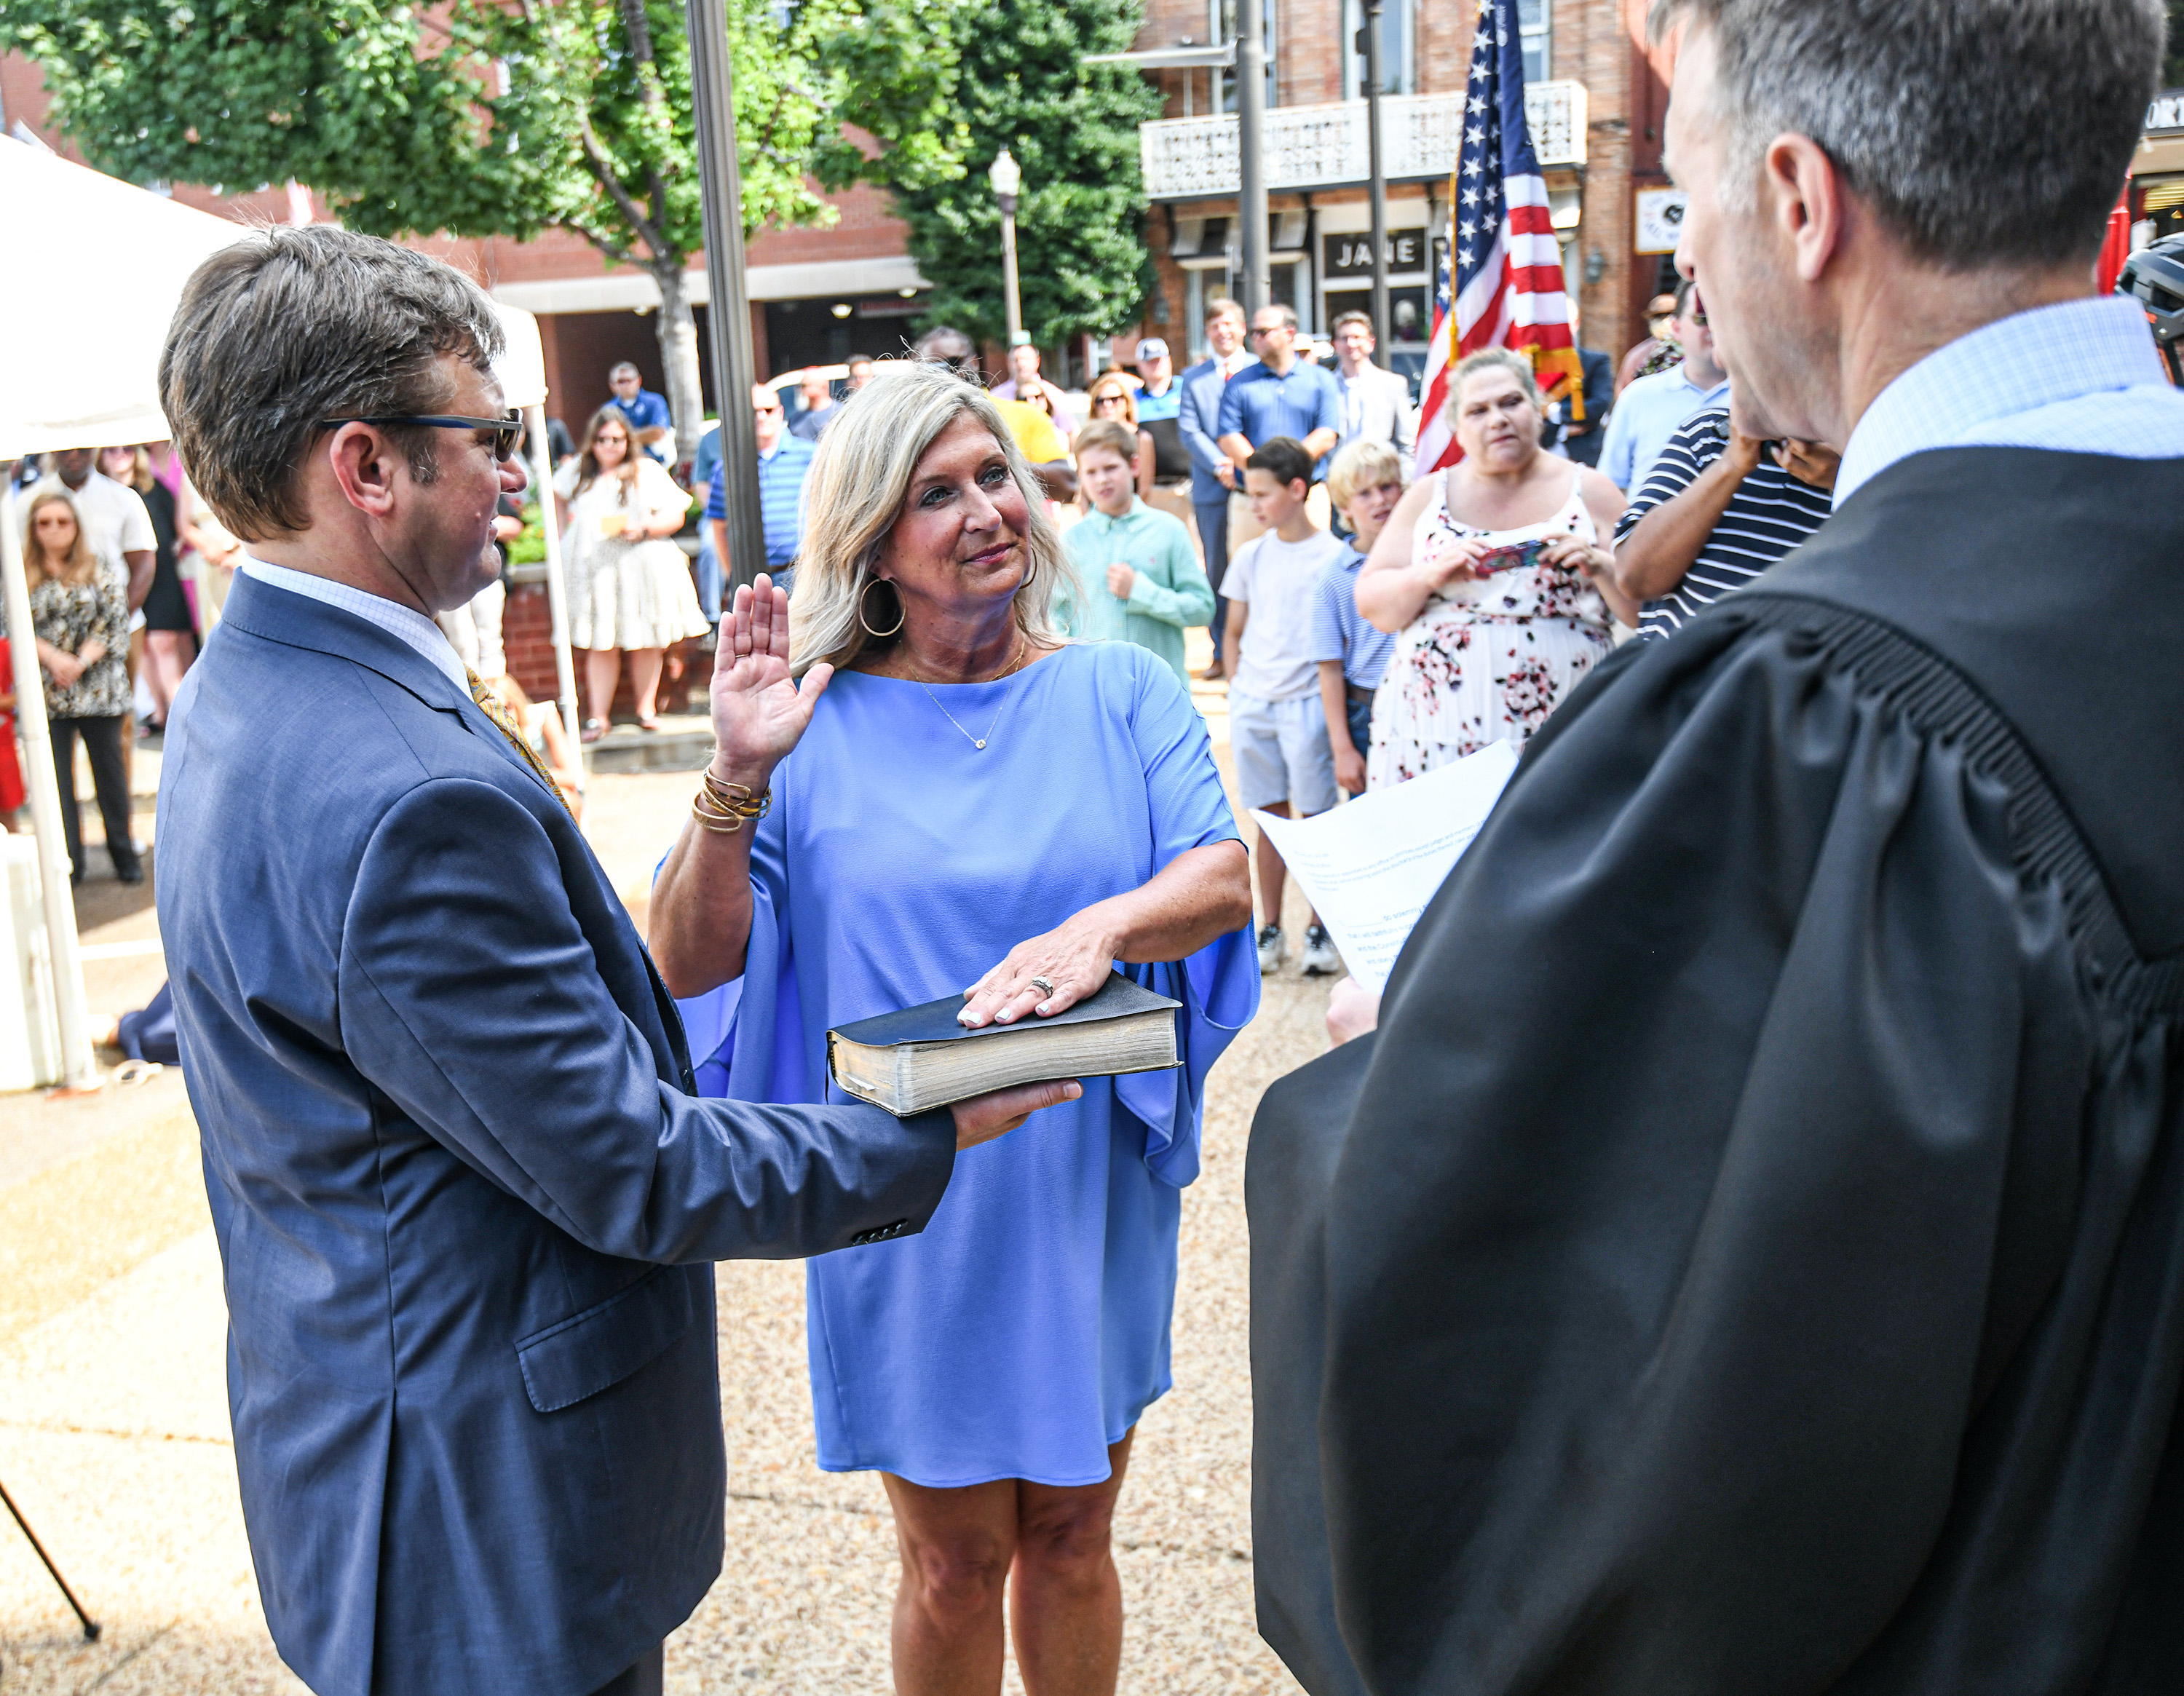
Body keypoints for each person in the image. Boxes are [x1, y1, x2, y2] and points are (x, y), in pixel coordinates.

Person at [1248, 1, 2184, 1691]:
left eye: (1682, 201)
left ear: (1797, 204)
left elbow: (1540, 1533)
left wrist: (1418, 1063)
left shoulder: (1814, 719)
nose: (1689, 254)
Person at [155, 223, 1069, 1696]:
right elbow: (631, 1165)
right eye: (489, 434)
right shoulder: (405, 790)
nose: (521, 471)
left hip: (365, 1447)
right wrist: (920, 1121)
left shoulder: (238, 693)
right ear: (366, 466)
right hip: (480, 1521)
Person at [646, 361, 1257, 1696]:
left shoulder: (1119, 692)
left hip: (1077, 1174)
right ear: (874, 540)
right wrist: (736, 777)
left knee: (1076, 1533)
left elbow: (1222, 876)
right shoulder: (810, 727)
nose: (986, 510)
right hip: (903, 1190)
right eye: (938, 493)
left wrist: (1106, 926)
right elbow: (686, 959)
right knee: (952, 1565)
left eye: (995, 477)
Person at [1358, 349, 1634, 787]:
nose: (1497, 419)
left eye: (1511, 402)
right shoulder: (1429, 495)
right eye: (1478, 410)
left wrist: (1599, 565)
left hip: (1563, 728)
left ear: (1538, 407)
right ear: (1457, 428)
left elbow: (1644, 608)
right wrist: (1428, 575)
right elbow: (1373, 604)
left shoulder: (1592, 490)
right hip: (1434, 731)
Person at [1221, 437, 1346, 977]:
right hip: (1255, 701)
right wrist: (1236, 688)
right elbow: (1233, 630)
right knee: (1268, 821)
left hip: (1307, 704)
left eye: (1262, 494)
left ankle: (1321, 929)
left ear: (1297, 490)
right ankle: (1271, 928)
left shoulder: (1336, 558)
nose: (1254, 506)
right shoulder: (1252, 555)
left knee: (1317, 822)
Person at [553, 405, 707, 740]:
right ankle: (598, 718)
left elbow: (676, 514)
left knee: (647, 639)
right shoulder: (578, 470)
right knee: (600, 641)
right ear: (592, 441)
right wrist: (566, 532)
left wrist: (645, 527)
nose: (610, 446)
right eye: (603, 439)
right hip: (596, 572)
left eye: (617, 439)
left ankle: (645, 709)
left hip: (639, 563)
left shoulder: (645, 469)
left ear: (628, 440)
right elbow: (557, 497)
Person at [1614, 406, 1837, 637]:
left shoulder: (1865, 463)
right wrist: (1732, 465)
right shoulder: (1707, 436)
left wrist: (1844, 478)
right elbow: (1635, 579)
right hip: (1680, 668)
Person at [17, 488, 140, 884]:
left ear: (77, 526)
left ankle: (124, 855)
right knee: (56, 782)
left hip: (99, 689)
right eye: (44, 523)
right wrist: (54, 659)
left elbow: (115, 620)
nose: (54, 530)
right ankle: (69, 863)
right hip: (47, 693)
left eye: (62, 521)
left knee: (110, 777)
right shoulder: (20, 574)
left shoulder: (99, 566)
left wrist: (79, 660)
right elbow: (11, 624)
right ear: (33, 529)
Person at [1055, 417, 1214, 686]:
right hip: (1098, 697)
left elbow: (1202, 609)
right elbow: (1054, 623)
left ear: (1134, 465)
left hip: (1164, 695)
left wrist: (1141, 591)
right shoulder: (1069, 543)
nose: (1102, 480)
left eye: (1111, 468)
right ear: (1079, 477)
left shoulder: (1168, 531)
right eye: (1091, 472)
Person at [1309, 439, 1403, 799]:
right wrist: (1343, 748)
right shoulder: (1334, 577)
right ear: (1345, 507)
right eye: (1364, 494)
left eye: (1386, 487)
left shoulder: (1424, 555)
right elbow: (1329, 666)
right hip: (1368, 709)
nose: (1379, 499)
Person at [1216, 304, 1344, 552]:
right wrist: (1266, 478)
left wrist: (1284, 472)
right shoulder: (1239, 383)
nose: (1256, 339)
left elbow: (1326, 435)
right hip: (1252, 501)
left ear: (1290, 333)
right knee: (1249, 583)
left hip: (1306, 497)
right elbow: (1229, 437)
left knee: (1313, 579)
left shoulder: (1320, 379)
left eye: (1264, 332)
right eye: (1253, 333)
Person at [1178, 298, 1256, 676]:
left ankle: (1257, 649)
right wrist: (1221, 464)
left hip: (1257, 488)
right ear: (1207, 332)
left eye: (1229, 324)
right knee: (1218, 573)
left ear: (1242, 328)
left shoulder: (1260, 371)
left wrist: (1246, 466)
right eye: (1214, 326)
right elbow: (1189, 431)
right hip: (1212, 488)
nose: (1222, 332)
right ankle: (1221, 651)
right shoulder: (1194, 379)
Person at [913, 327, 1077, 501]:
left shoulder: (1025, 414)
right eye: (933, 368)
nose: (945, 373)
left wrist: (998, 466)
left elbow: (1066, 485)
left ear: (974, 363)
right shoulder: (913, 433)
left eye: (953, 362)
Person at [1598, 278, 1730, 491]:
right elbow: (1610, 484)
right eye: (1703, 318)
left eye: (1724, 316)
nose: (1714, 327)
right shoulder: (1639, 396)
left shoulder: (1763, 400)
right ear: (1676, 329)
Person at [705, 384, 815, 597]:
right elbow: (719, 527)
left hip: (803, 574)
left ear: (781, 412)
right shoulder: (727, 467)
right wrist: (734, 576)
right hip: (751, 578)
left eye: (768, 410)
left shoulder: (811, 456)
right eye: (754, 411)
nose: (762, 417)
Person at [115, 443, 197, 731]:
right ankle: (161, 714)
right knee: (146, 650)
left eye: (126, 449)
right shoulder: (112, 496)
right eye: (111, 450)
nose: (120, 455)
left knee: (164, 645)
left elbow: (171, 536)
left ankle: (180, 717)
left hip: (160, 579)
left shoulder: (152, 489)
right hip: (130, 583)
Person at [1328, 310, 1417, 481]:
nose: (1351, 343)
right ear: (1335, 344)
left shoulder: (1392, 384)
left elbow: (1407, 444)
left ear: (1371, 343)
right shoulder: (1325, 386)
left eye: (1357, 337)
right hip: (1338, 483)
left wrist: (1401, 483)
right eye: (1344, 338)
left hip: (1379, 482)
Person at [1545, 308, 1616, 469]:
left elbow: (1599, 405)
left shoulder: (1596, 361)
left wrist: (1554, 412)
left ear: (1575, 324)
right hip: (1545, 453)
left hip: (1586, 457)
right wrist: (1562, 431)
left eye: (1563, 323)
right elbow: (1531, 411)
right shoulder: (1535, 363)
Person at [992, 340, 1078, 439]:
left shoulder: (1054, 395)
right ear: (1008, 363)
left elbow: (1071, 432)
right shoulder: (996, 397)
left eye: (1026, 359)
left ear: (1037, 361)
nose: (1021, 364)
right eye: (1016, 360)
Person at [689, 412, 726, 625]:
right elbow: (701, 483)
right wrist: (715, 513)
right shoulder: (710, 440)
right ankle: (713, 619)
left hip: (762, 514)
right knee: (712, 548)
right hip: (719, 512)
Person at [1615, 289, 1682, 395]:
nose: (1663, 321)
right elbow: (1624, 393)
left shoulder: (1692, 350)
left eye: (1668, 315)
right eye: (1656, 317)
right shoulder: (1638, 355)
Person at [606, 360, 673, 461]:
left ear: (639, 381)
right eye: (621, 381)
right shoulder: (608, 409)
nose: (626, 385)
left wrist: (622, 438)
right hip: (622, 461)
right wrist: (643, 435)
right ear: (612, 386)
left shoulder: (654, 401)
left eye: (630, 380)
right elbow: (606, 440)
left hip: (654, 459)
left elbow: (658, 432)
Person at [788, 368, 839, 442]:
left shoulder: (838, 412)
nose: (800, 390)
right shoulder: (796, 417)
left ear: (822, 387)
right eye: (800, 386)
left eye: (805, 386)